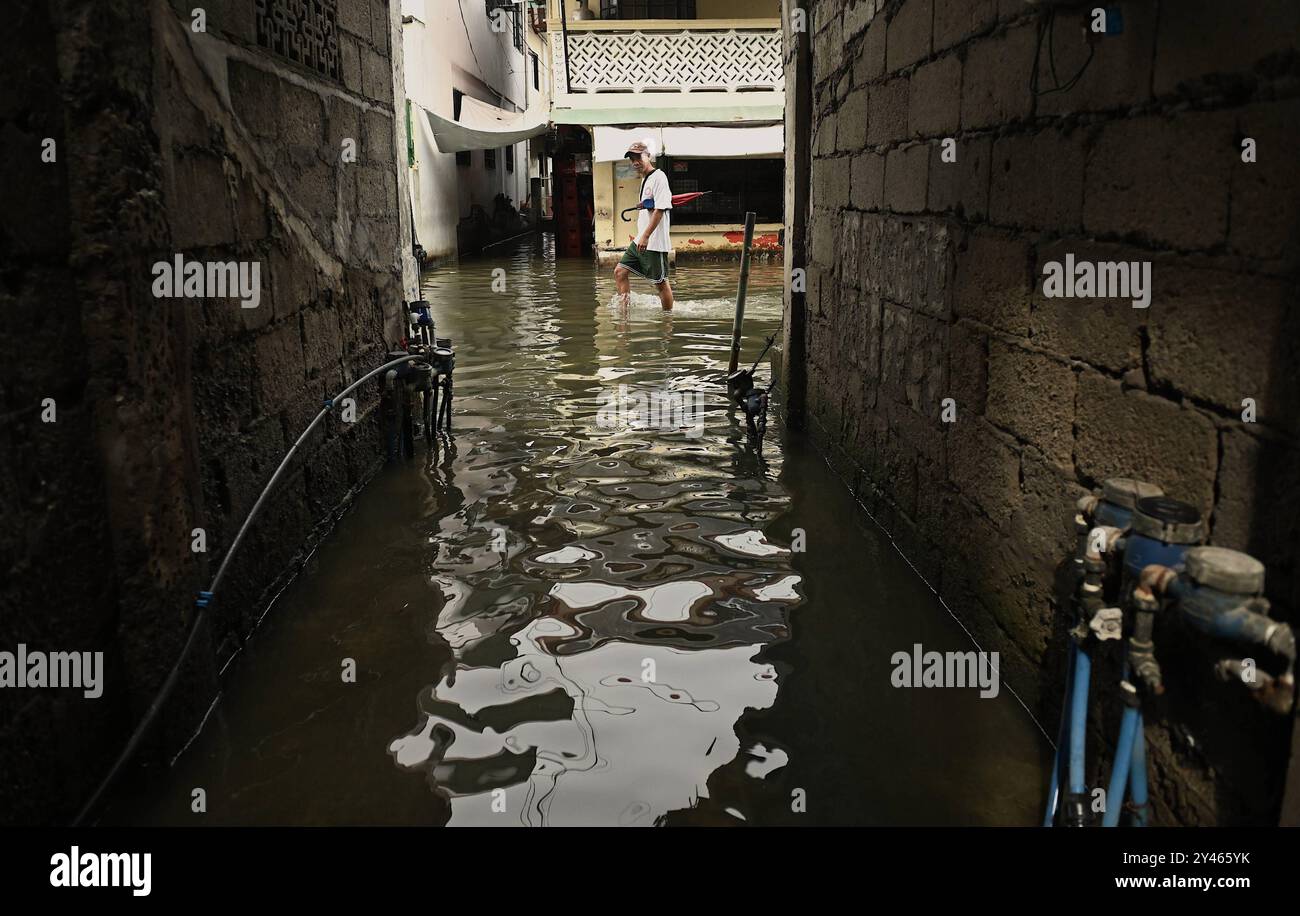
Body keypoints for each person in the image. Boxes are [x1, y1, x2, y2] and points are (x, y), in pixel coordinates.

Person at [614, 139, 674, 310]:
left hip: (654, 243)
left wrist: (646, 236)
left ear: (648, 156)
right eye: (632, 159)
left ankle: (667, 322)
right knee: (620, 272)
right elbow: (653, 205)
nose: (635, 162)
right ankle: (624, 315)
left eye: (638, 157)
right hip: (640, 240)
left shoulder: (659, 177)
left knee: (661, 284)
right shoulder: (645, 179)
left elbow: (660, 210)